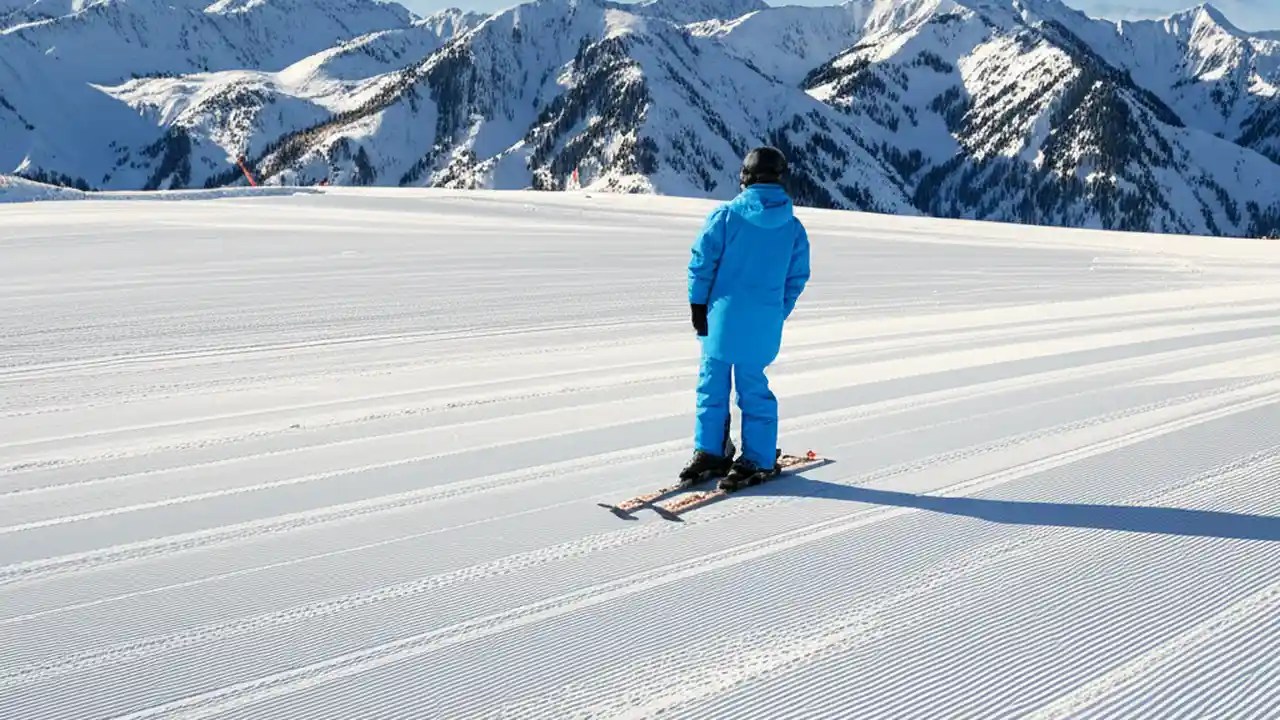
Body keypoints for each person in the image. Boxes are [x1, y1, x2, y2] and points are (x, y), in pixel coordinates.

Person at [680, 146, 811, 491]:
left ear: (745, 178)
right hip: (764, 323)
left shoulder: (725, 217)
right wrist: (777, 310)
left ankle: (710, 451)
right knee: (753, 389)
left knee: (712, 385)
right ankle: (759, 457)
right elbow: (797, 278)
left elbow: (701, 262)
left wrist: (697, 306)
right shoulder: (794, 228)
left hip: (719, 319)